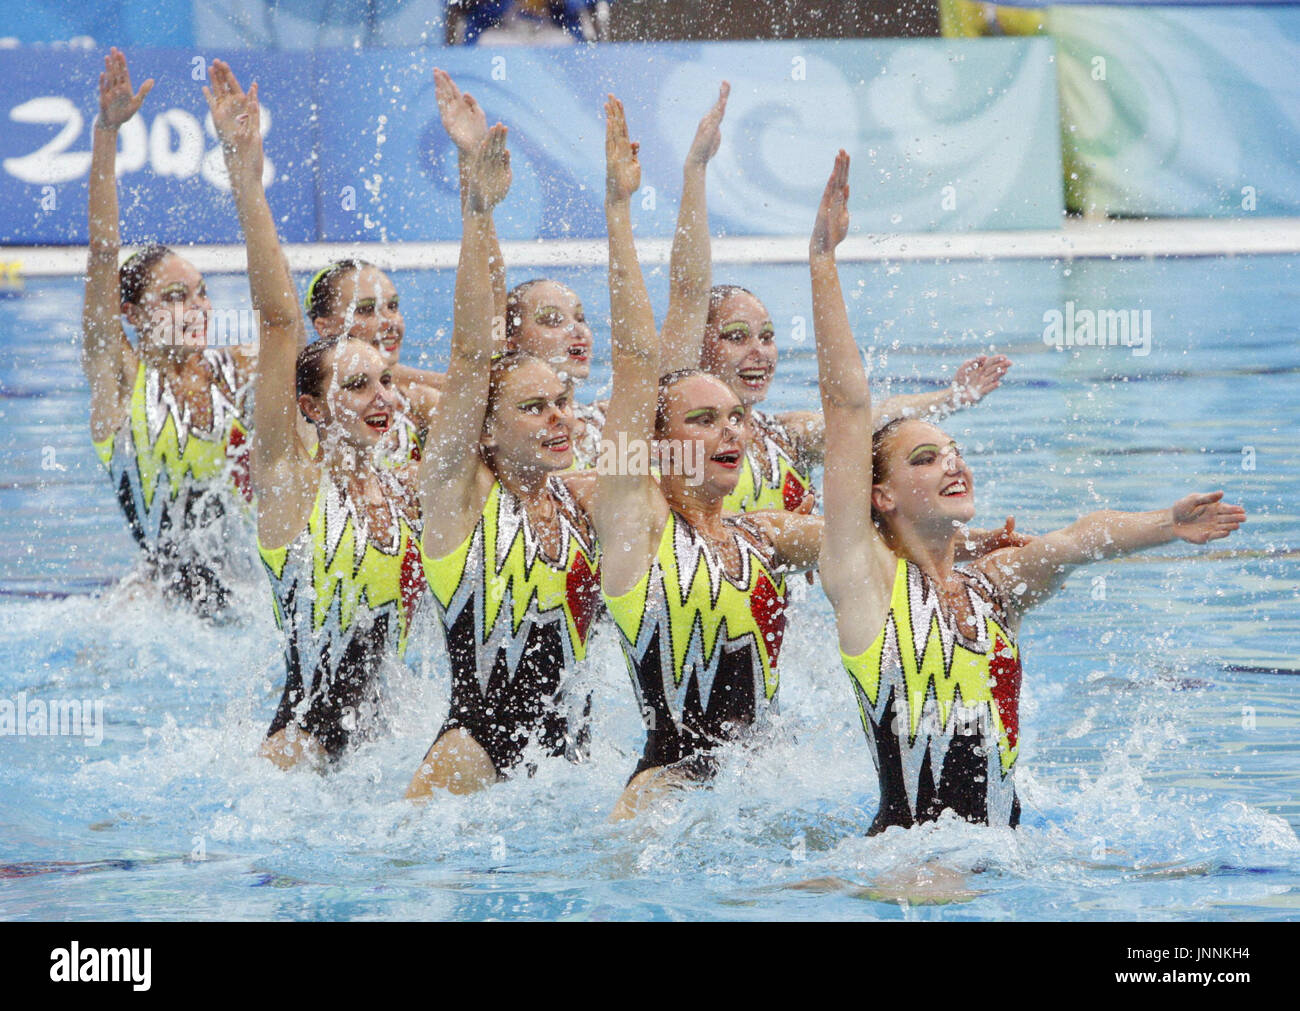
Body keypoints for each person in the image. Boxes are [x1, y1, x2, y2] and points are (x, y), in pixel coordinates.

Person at [809, 150, 1247, 833]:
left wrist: (1166, 522)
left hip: (1010, 855)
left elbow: (1078, 540)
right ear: (882, 495)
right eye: (926, 459)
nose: (955, 465)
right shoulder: (863, 579)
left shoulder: (995, 586)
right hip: (908, 865)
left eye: (955, 451)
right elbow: (845, 406)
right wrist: (822, 263)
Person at [591, 96, 823, 821]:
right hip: (668, 796)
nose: (730, 431)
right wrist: (623, 209)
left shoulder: (758, 524)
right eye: (703, 417)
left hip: (765, 777)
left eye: (731, 419)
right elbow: (644, 349)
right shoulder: (637, 502)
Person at [206, 60, 427, 769]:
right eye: (358, 385)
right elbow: (277, 321)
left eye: (385, 383)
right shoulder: (291, 482)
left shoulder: (406, 486)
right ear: (310, 405)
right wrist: (247, 176)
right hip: (303, 753)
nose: (382, 399)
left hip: (392, 744)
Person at [651, 83, 1012, 514]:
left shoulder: (786, 438)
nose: (759, 353)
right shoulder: (665, 436)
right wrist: (696, 170)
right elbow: (689, 294)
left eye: (767, 337)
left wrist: (955, 396)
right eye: (736, 337)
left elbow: (866, 415)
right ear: (699, 342)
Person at [406, 121, 603, 799]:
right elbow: (471, 355)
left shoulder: (583, 497)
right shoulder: (459, 495)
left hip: (570, 767)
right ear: (484, 432)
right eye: (533, 408)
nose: (558, 419)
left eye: (563, 404)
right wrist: (478, 210)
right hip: (472, 757)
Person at [82, 48, 256, 617]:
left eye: (202, 293)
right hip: (161, 608)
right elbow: (105, 253)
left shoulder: (240, 369)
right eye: (175, 297)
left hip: (249, 599)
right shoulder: (121, 377)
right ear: (131, 313)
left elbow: (338, 370)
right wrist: (107, 133)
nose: (196, 307)